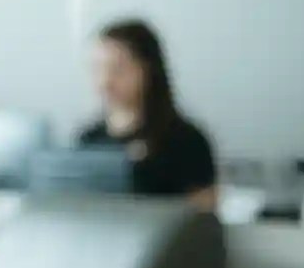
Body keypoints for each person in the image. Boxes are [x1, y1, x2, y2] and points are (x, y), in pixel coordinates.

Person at [78, 19, 218, 210]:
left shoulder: (187, 140)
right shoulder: (88, 139)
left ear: (148, 70)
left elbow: (204, 217)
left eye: (118, 70)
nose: (105, 81)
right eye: (97, 69)